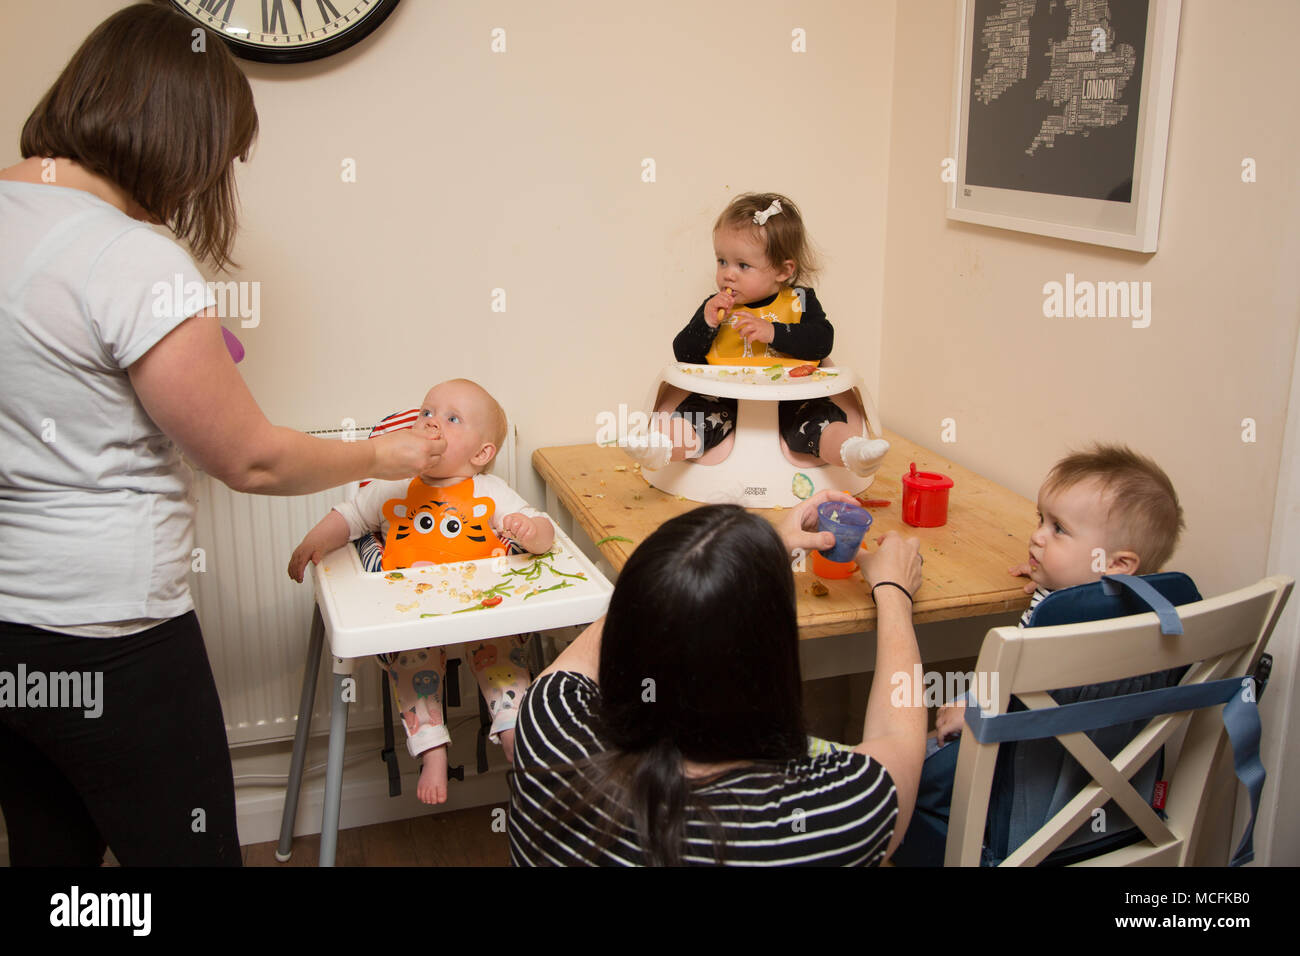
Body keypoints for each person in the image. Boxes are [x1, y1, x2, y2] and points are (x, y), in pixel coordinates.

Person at [0, 4, 443, 866]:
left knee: (53, 864)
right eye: (221, 157)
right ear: (180, 134)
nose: (212, 181)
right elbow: (251, 455)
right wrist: (379, 454)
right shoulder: (126, 257)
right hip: (113, 639)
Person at [508, 492, 927, 865]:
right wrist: (893, 590)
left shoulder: (547, 724)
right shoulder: (828, 816)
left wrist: (737, 560)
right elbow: (900, 742)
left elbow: (634, 617)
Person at [891, 443, 1186, 865]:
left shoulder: (1068, 627)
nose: (1037, 535)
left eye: (1059, 529)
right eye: (1040, 520)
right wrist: (1049, 575)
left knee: (904, 777)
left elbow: (1030, 705)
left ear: (1117, 563)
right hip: (1112, 804)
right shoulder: (1157, 616)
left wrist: (975, 709)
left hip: (1019, 785)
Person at [289, 378, 554, 804]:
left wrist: (530, 532)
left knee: (502, 654)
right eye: (426, 412)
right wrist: (314, 542)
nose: (431, 423)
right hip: (411, 613)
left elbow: (542, 530)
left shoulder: (489, 491)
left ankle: (510, 727)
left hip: (481, 607)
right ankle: (432, 748)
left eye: (451, 419)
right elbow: (351, 515)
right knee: (412, 666)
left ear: (481, 453)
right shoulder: (396, 485)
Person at [623, 192, 889, 474]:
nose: (728, 274)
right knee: (696, 418)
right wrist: (707, 323)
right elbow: (685, 355)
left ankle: (852, 451)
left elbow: (822, 342)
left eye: (743, 265)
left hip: (794, 399)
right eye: (722, 261)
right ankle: (661, 447)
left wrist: (773, 332)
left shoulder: (800, 300)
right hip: (723, 399)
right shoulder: (716, 307)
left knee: (820, 421)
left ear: (783, 271)